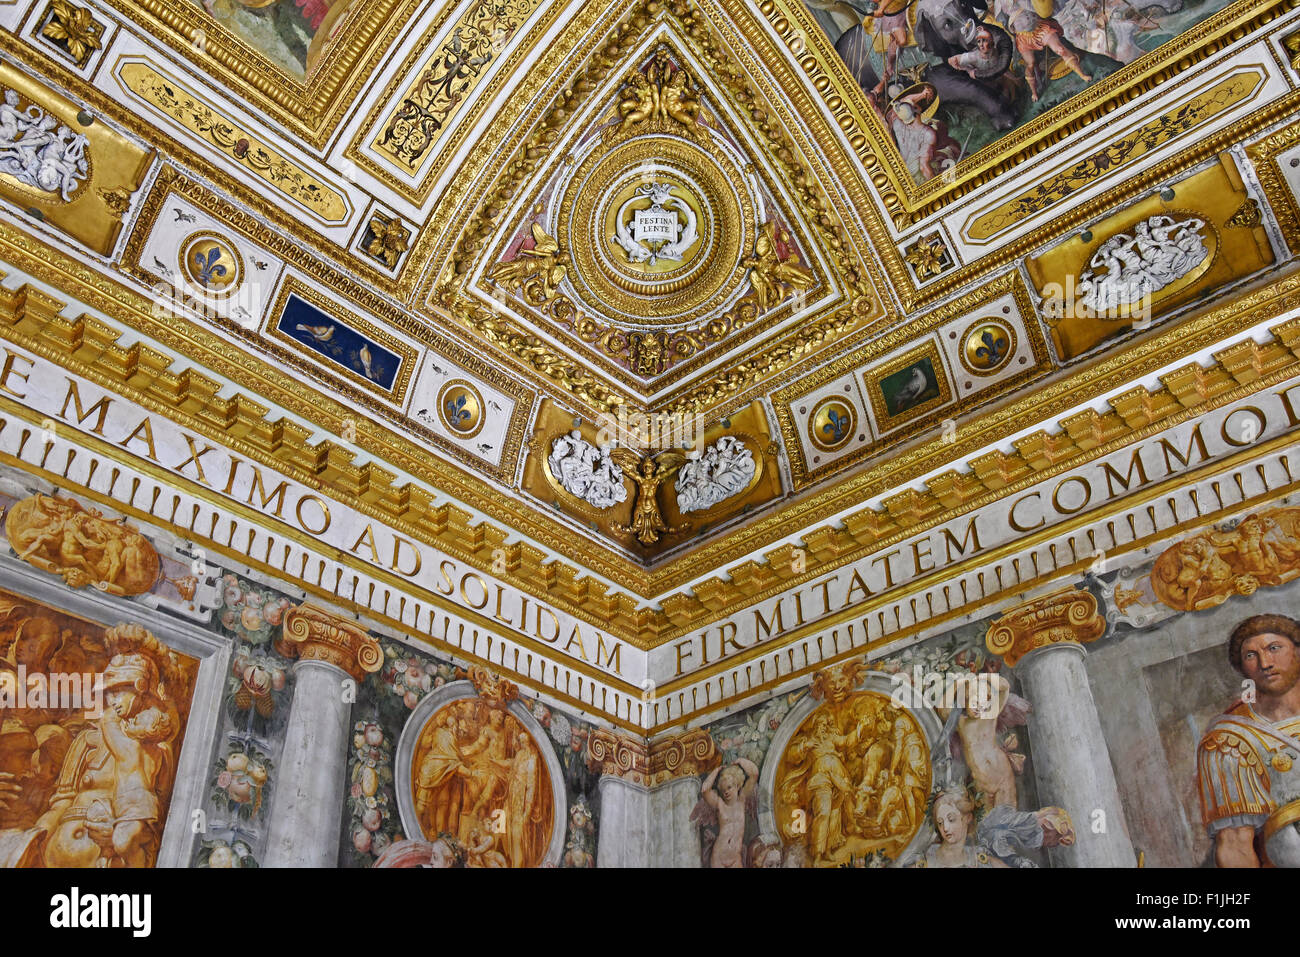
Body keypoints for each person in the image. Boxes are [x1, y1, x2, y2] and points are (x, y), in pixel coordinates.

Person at [1197, 614, 1300, 866]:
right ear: (1242, 668)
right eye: (1251, 655)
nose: (1265, 663)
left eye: (1274, 648)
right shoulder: (1229, 741)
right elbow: (1235, 845)